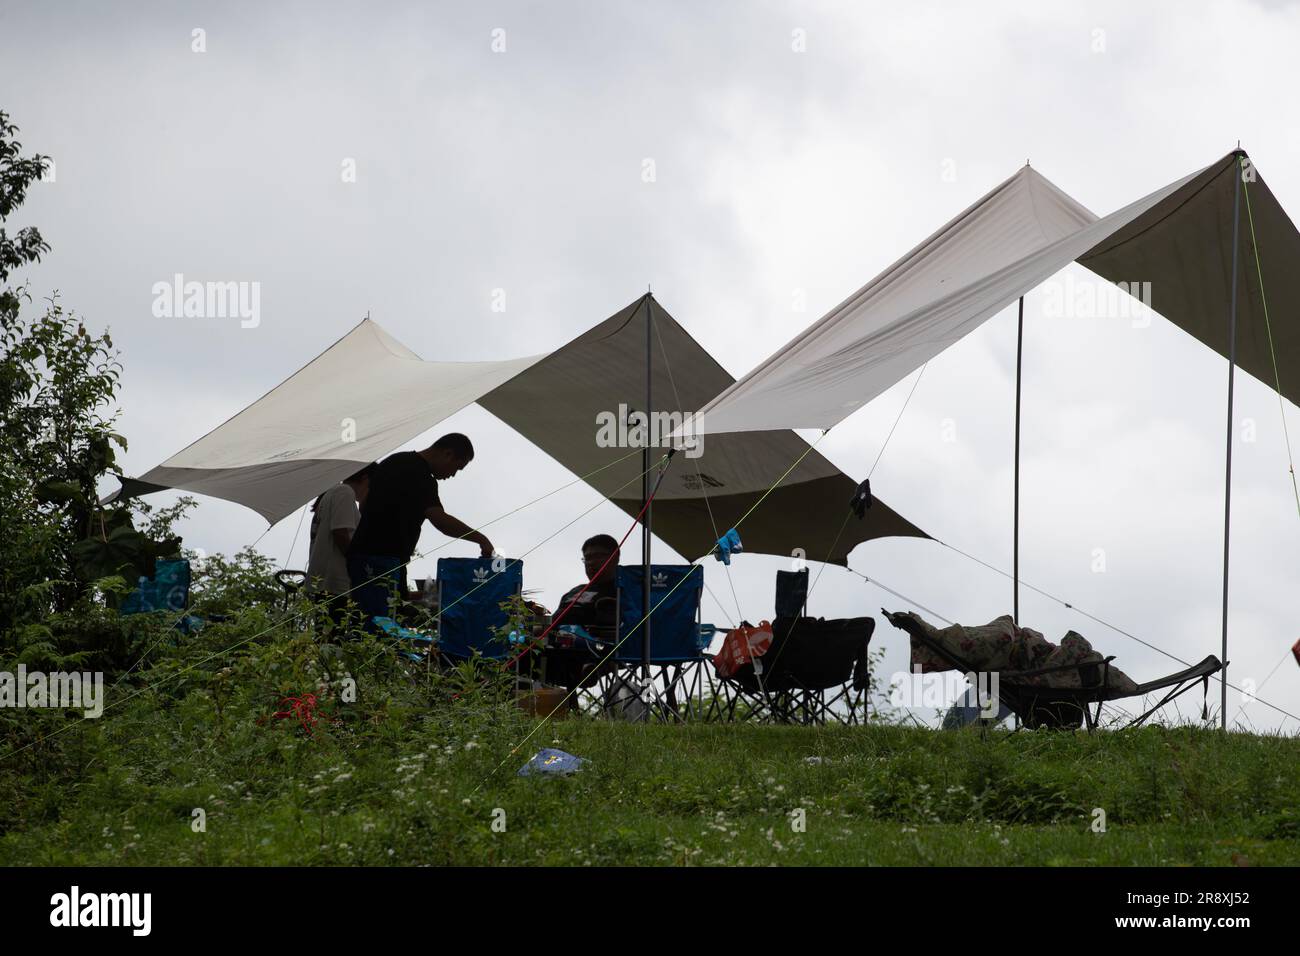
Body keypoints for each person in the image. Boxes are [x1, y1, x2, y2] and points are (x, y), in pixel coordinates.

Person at [346, 433, 492, 623]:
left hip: (363, 556)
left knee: (365, 618)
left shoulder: (394, 460)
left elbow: (364, 504)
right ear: (448, 454)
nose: (452, 475)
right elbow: (440, 521)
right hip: (382, 560)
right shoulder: (422, 476)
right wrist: (481, 539)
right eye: (457, 468)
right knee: (380, 624)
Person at [306, 463, 375, 627]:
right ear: (365, 479)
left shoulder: (331, 493)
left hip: (322, 582)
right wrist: (357, 565)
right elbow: (340, 533)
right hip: (334, 583)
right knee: (333, 637)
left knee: (325, 636)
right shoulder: (344, 492)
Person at [555, 534, 621, 632]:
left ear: (614, 558)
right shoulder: (575, 591)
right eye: (587, 558)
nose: (591, 562)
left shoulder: (624, 591)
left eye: (597, 556)